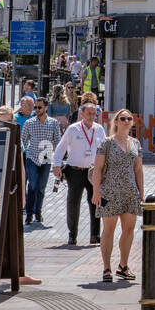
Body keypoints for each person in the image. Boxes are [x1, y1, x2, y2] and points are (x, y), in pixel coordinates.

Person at [92, 109, 144, 282]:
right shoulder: (106, 143)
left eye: (130, 118)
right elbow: (97, 168)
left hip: (130, 192)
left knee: (129, 230)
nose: (126, 121)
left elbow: (138, 169)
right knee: (108, 230)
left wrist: (141, 193)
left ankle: (123, 265)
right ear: (116, 122)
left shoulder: (136, 143)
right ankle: (107, 267)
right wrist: (96, 191)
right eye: (123, 118)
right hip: (109, 191)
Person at [52, 99, 106, 246]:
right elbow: (61, 148)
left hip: (93, 171)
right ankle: (72, 235)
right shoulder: (73, 129)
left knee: (95, 202)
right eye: (88, 113)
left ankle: (95, 235)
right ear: (81, 113)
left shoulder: (99, 129)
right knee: (73, 203)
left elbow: (104, 151)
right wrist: (56, 165)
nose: (91, 116)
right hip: (74, 171)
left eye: (94, 114)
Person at [21, 97, 62, 225]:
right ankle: (29, 214)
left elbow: (58, 141)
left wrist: (57, 160)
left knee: (41, 188)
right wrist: (25, 153)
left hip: (46, 158)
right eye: (35, 108)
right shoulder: (29, 123)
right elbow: (23, 139)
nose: (37, 110)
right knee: (32, 185)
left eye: (39, 107)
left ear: (46, 108)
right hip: (32, 157)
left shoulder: (53, 123)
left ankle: (38, 212)